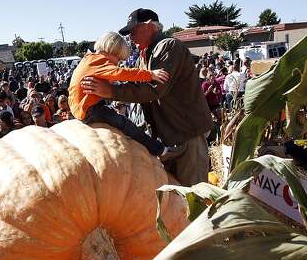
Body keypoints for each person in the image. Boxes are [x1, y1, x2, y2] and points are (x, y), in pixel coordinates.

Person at [81, 9, 214, 185]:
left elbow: (154, 89)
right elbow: (134, 83)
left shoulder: (168, 47)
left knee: (194, 197)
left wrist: (110, 91)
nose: (130, 37)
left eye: (133, 31)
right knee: (173, 201)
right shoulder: (144, 55)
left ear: (149, 26)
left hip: (186, 136)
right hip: (169, 138)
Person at [69, 31, 183, 159]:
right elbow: (121, 73)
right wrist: (150, 74)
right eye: (118, 59)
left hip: (79, 108)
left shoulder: (89, 59)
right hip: (90, 109)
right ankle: (160, 150)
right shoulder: (100, 62)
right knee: (124, 123)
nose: (118, 63)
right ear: (113, 51)